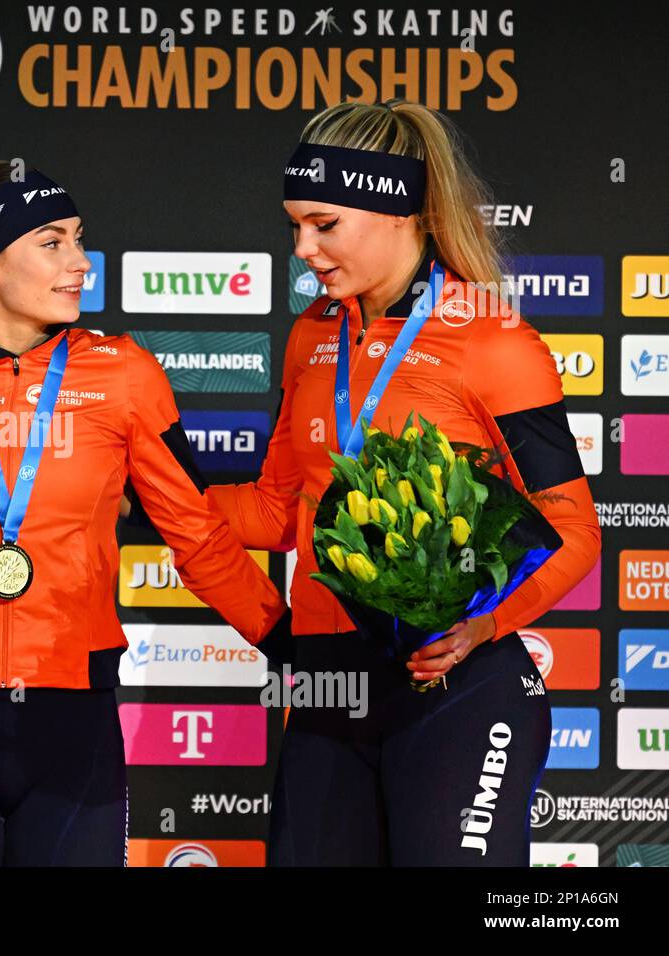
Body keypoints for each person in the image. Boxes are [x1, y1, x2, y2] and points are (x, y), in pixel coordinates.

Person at [206, 99, 601, 865]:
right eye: (295, 225)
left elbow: (575, 529)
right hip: (326, 690)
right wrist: (147, 486)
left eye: (324, 224)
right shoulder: (312, 334)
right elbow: (280, 509)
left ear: (401, 210)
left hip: (456, 689)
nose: (303, 249)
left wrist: (485, 625)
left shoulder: (493, 340)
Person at [0, 162, 292, 866]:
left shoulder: (123, 374)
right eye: (52, 242)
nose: (80, 262)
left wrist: (288, 640)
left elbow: (192, 529)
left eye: (78, 239)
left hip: (73, 717)